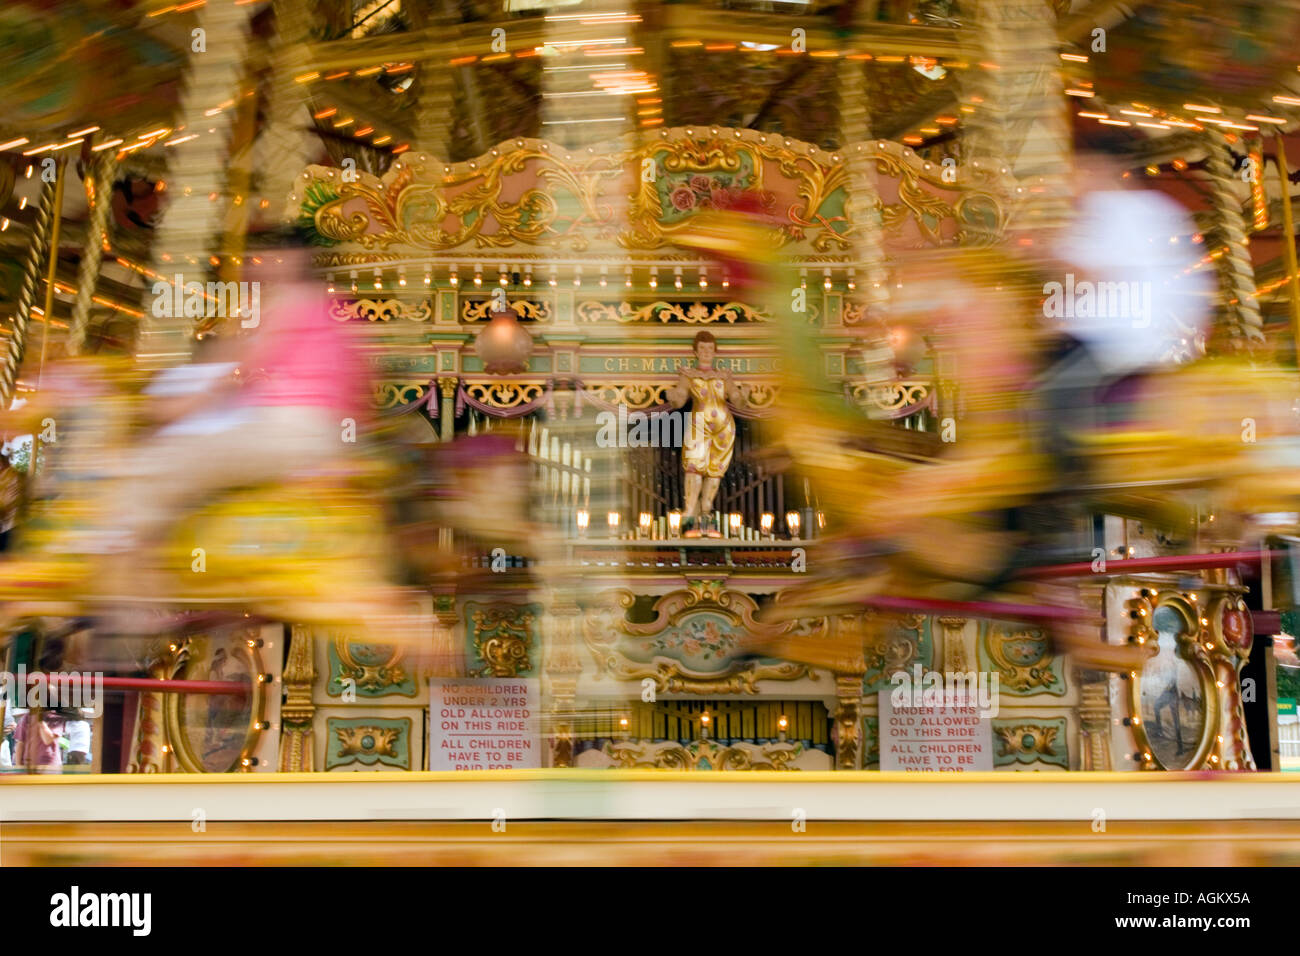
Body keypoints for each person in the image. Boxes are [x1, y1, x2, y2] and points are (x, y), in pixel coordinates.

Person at [98, 231, 371, 614]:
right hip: (321, 436)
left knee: (156, 465)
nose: (250, 267)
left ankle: (129, 591)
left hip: (287, 430)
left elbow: (239, 372)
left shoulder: (287, 301)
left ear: (289, 260)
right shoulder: (334, 308)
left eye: (260, 258)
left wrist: (177, 408)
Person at [666, 330, 746, 537]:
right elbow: (682, 396)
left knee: (715, 470)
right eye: (702, 348)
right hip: (699, 424)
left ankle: (706, 512)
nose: (706, 352)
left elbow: (735, 397)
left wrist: (741, 395)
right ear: (695, 351)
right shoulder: (688, 374)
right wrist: (674, 397)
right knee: (694, 466)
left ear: (715, 352)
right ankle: (690, 512)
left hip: (723, 426)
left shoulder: (723, 375)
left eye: (710, 349)